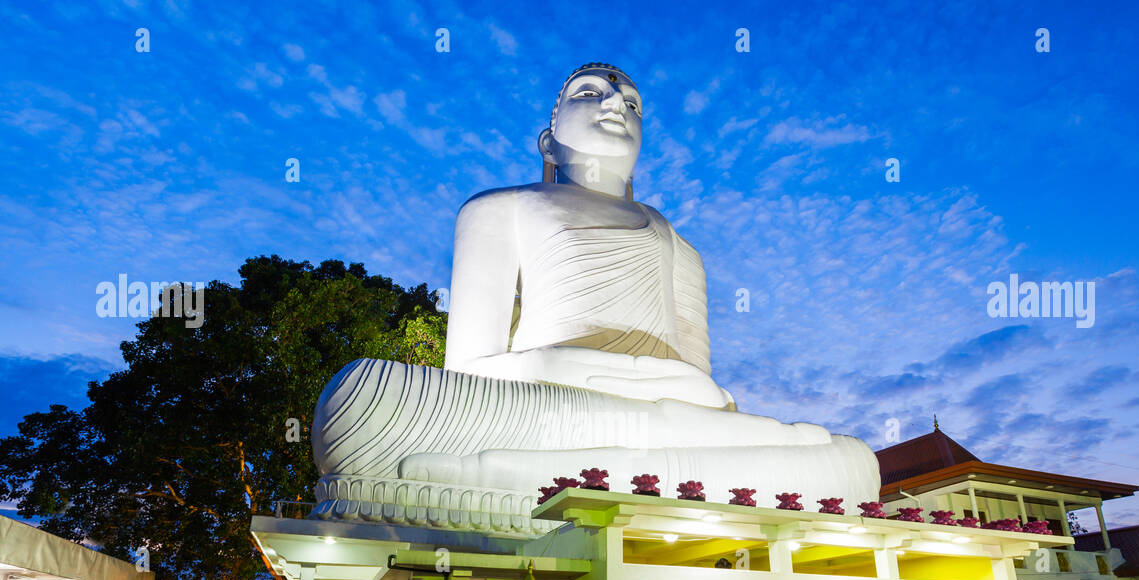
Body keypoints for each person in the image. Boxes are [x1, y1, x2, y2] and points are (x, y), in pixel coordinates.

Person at [311, 62, 879, 513]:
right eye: (590, 93)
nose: (615, 105)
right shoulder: (498, 208)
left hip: (681, 407)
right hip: (547, 400)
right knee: (357, 401)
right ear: (547, 138)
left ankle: (495, 474)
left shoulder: (679, 245)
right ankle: (692, 465)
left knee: (856, 462)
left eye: (631, 104)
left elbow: (703, 381)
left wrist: (683, 403)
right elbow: (470, 370)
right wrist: (561, 370)